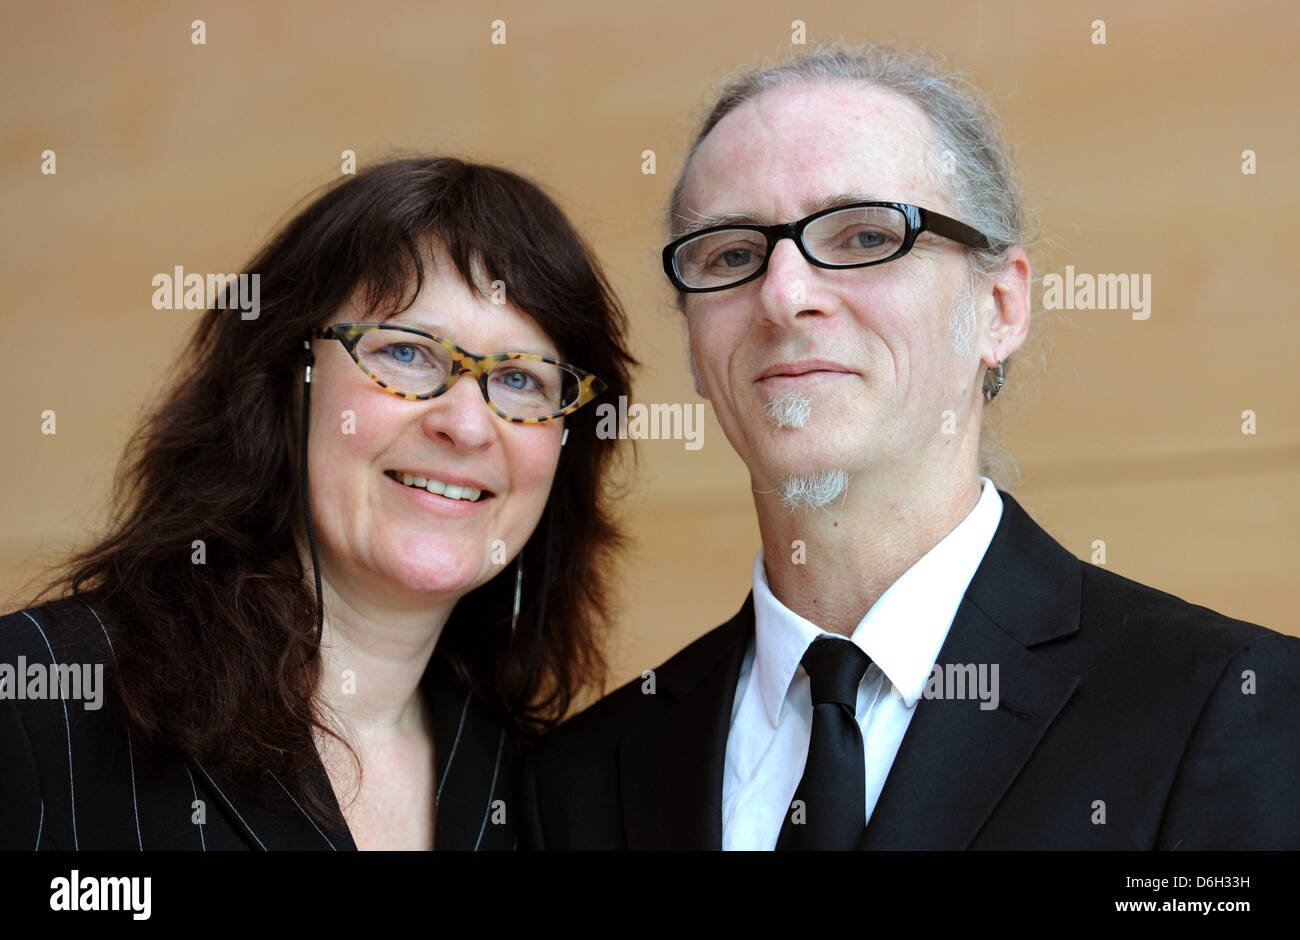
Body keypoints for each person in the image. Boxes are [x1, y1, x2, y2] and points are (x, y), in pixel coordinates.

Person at [519, 43, 1300, 850]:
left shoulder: (1223, 704)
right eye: (733, 255)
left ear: (1000, 307)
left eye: (863, 237)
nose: (784, 296)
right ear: (693, 349)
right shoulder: (579, 782)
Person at [0, 156, 634, 850]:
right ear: (284, 382)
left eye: (519, 378)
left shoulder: (544, 796)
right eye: (407, 353)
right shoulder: (43, 703)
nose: (467, 423)